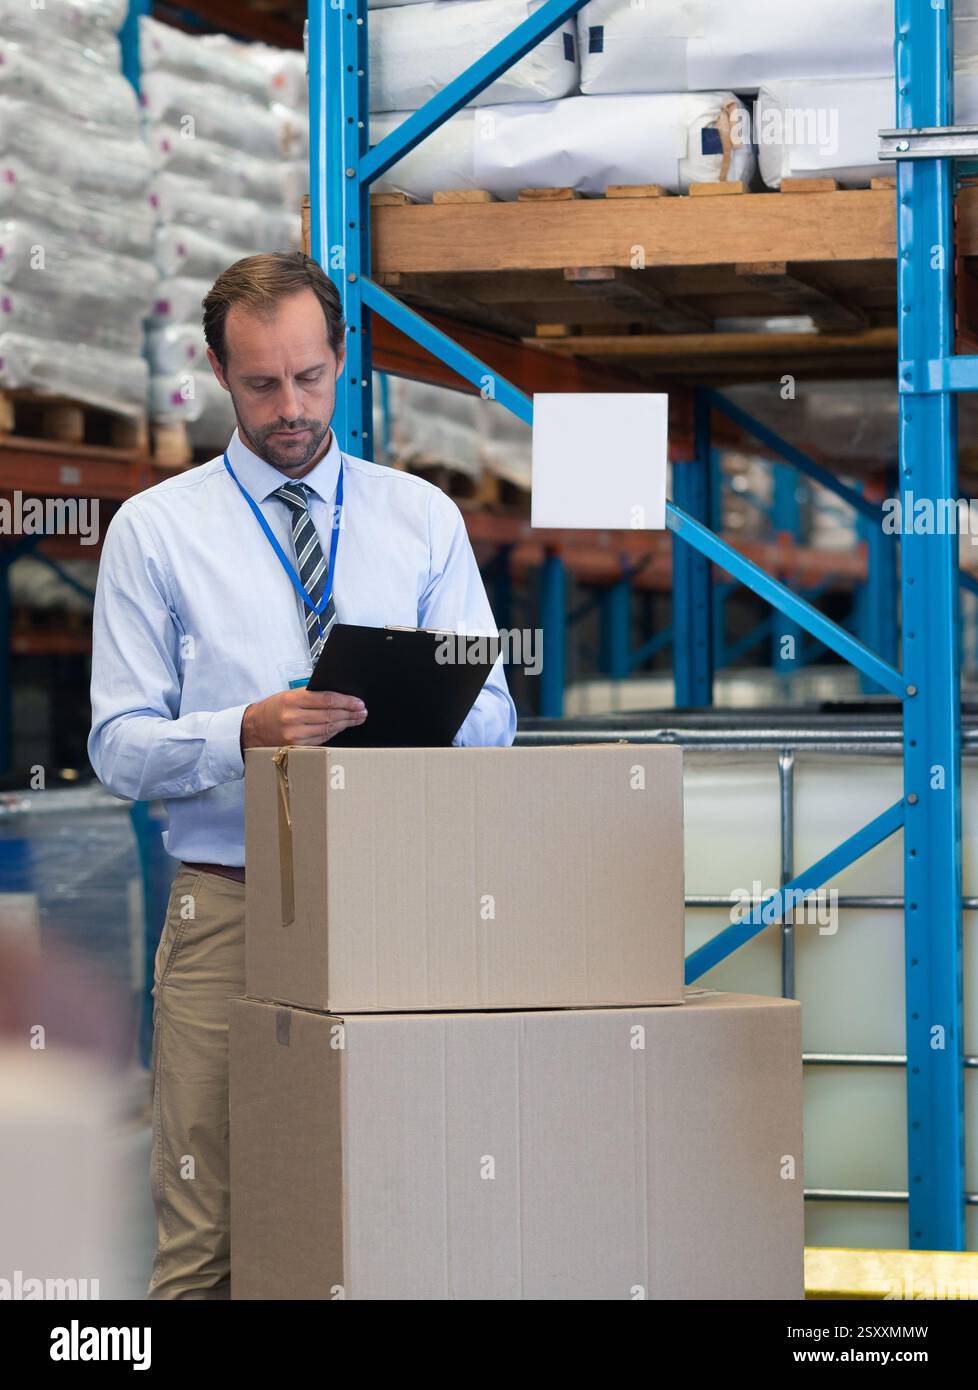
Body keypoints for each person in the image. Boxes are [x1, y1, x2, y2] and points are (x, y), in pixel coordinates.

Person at [88, 252, 516, 1299]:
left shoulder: (420, 519)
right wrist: (245, 729)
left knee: (398, 1202)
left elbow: (497, 712)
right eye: (262, 384)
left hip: (392, 903)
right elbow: (115, 743)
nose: (291, 408)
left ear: (341, 361)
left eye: (310, 377)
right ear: (219, 374)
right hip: (229, 906)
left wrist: (404, 720)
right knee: (207, 1229)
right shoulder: (156, 531)